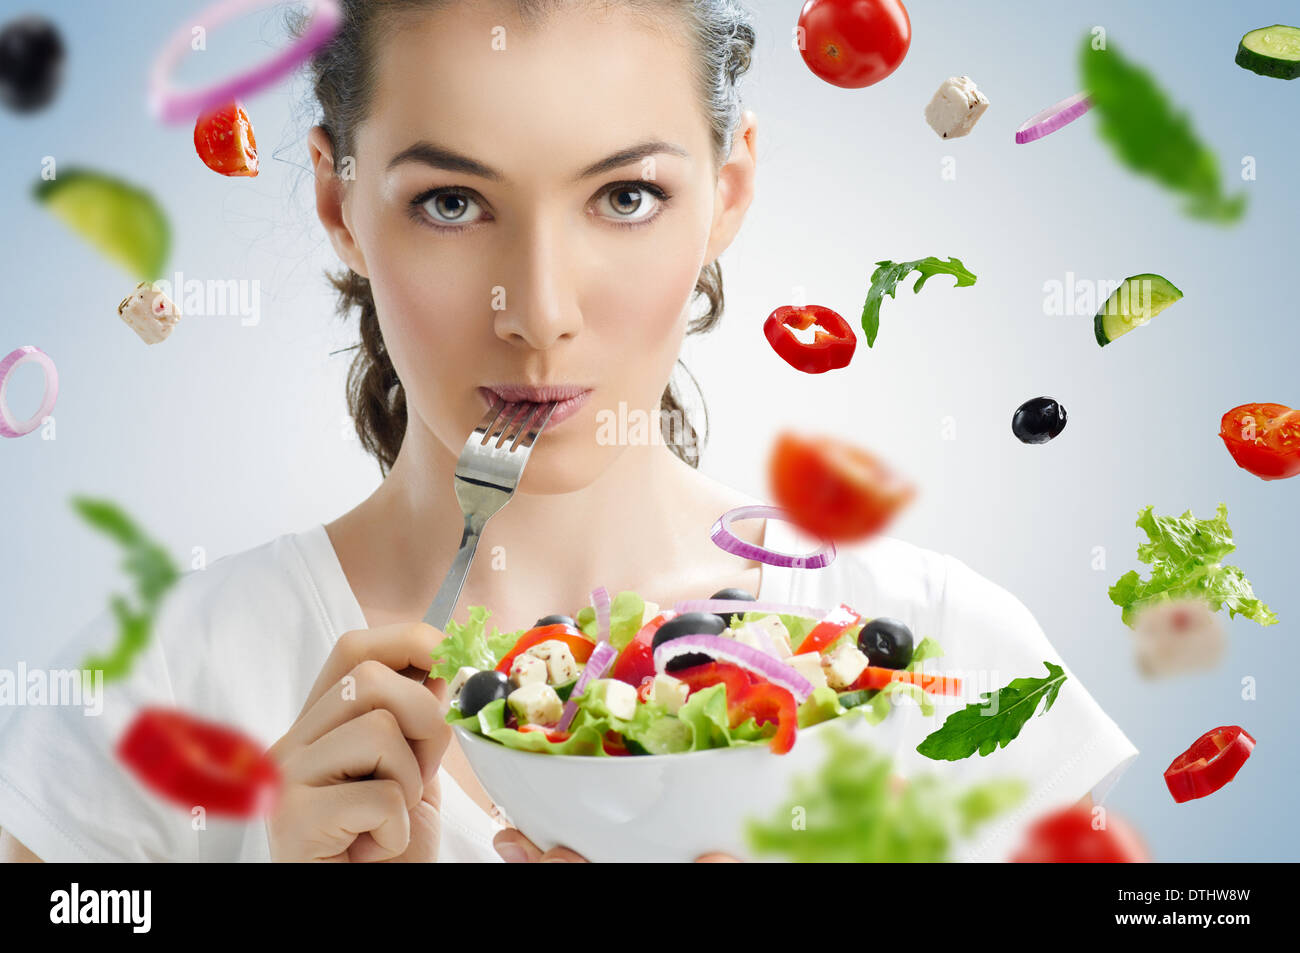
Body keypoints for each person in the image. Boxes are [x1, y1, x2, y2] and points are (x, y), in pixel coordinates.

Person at [0, 0, 1135, 863]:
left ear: (728, 191)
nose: (539, 312)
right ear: (339, 201)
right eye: (451, 202)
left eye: (625, 195)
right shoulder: (154, 686)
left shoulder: (935, 646)